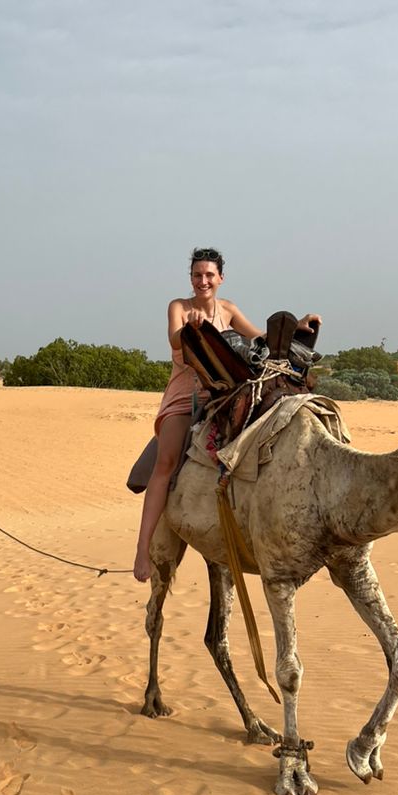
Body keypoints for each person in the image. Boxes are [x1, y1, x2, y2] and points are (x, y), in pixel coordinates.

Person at [133, 247, 320, 582]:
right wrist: (191, 327)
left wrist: (298, 329)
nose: (202, 281)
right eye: (197, 275)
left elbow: (260, 338)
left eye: (209, 275)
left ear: (220, 278)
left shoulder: (228, 309)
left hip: (225, 392)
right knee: (165, 464)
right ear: (190, 279)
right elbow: (176, 340)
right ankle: (142, 549)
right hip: (185, 398)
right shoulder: (179, 307)